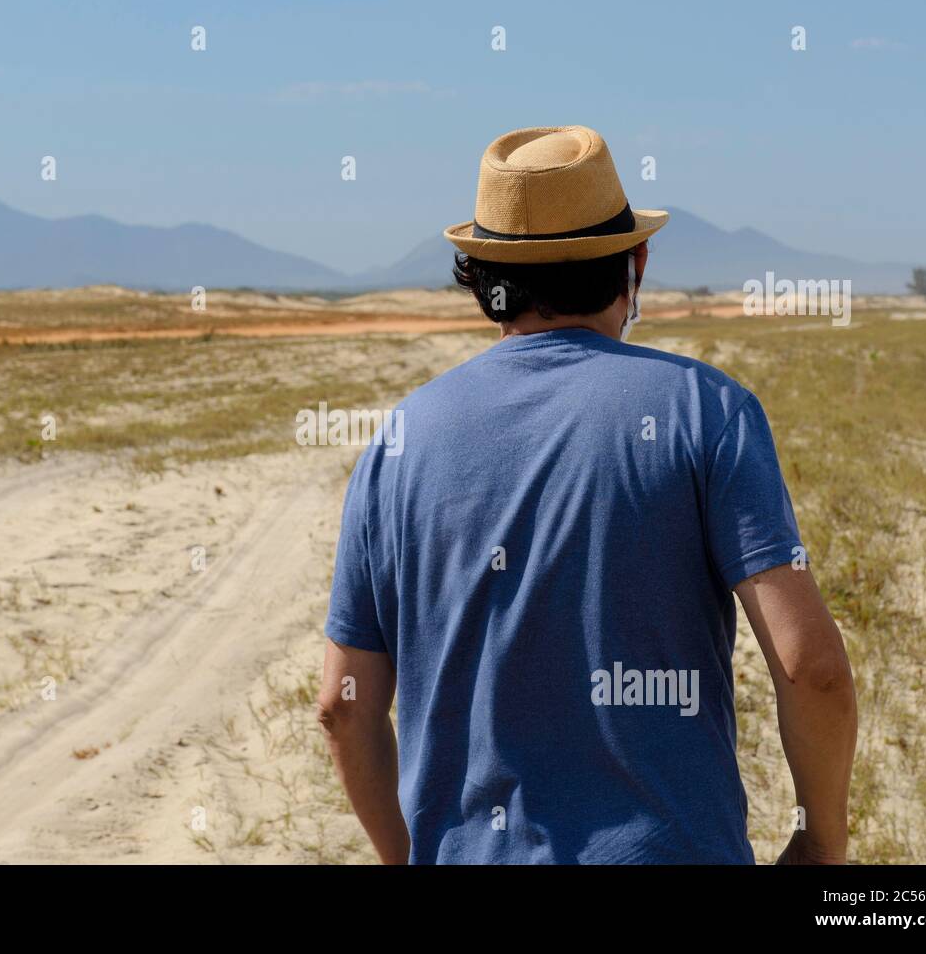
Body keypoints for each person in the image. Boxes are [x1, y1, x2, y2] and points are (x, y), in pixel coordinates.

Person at [317, 125, 857, 864]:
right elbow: (811, 668)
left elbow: (341, 709)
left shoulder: (396, 443)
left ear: (479, 278)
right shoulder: (707, 411)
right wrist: (820, 839)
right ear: (635, 263)